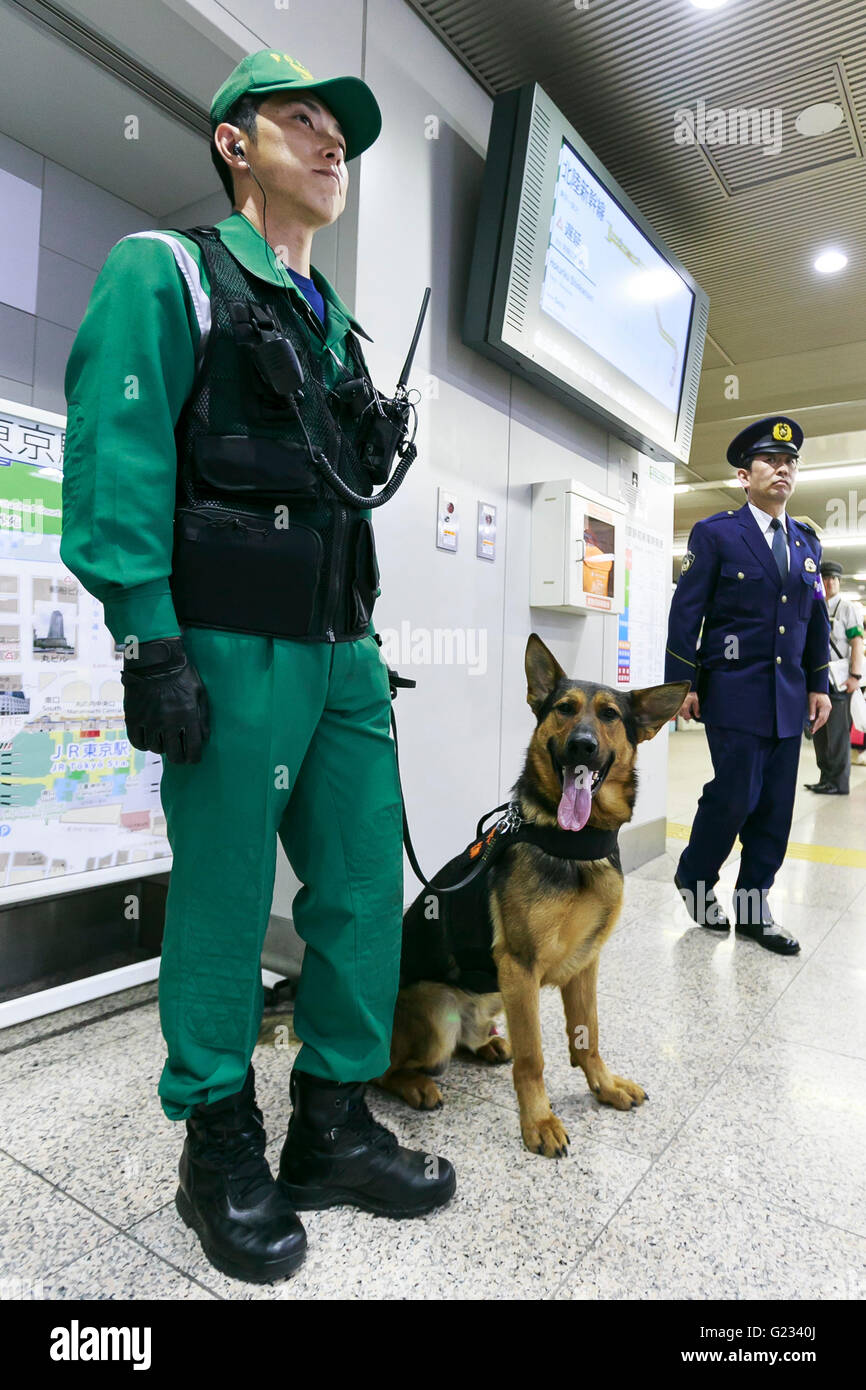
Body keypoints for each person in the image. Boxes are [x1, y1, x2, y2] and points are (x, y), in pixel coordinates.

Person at [60, 48, 455, 1286]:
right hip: (229, 644)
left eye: (344, 134)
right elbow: (116, 456)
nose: (334, 145)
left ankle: (330, 1123)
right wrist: (148, 637)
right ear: (234, 142)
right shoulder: (162, 272)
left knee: (354, 898)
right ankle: (216, 1141)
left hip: (344, 654)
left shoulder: (334, 324)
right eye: (303, 122)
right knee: (230, 903)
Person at [665, 416, 831, 955]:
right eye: (770, 461)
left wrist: (819, 684)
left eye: (790, 463)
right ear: (744, 475)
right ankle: (695, 874)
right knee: (736, 795)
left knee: (776, 809)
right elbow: (686, 612)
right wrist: (681, 682)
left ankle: (755, 911)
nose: (783, 468)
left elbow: (815, 622)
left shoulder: (804, 542)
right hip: (733, 690)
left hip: (787, 698)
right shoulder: (717, 534)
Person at [804, 560, 864, 795]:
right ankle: (825, 777)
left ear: (839, 582)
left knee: (837, 733)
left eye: (834, 579)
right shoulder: (815, 605)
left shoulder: (847, 608)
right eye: (826, 578)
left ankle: (838, 783)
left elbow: (857, 643)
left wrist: (855, 675)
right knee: (820, 731)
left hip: (839, 679)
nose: (830, 582)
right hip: (819, 679)